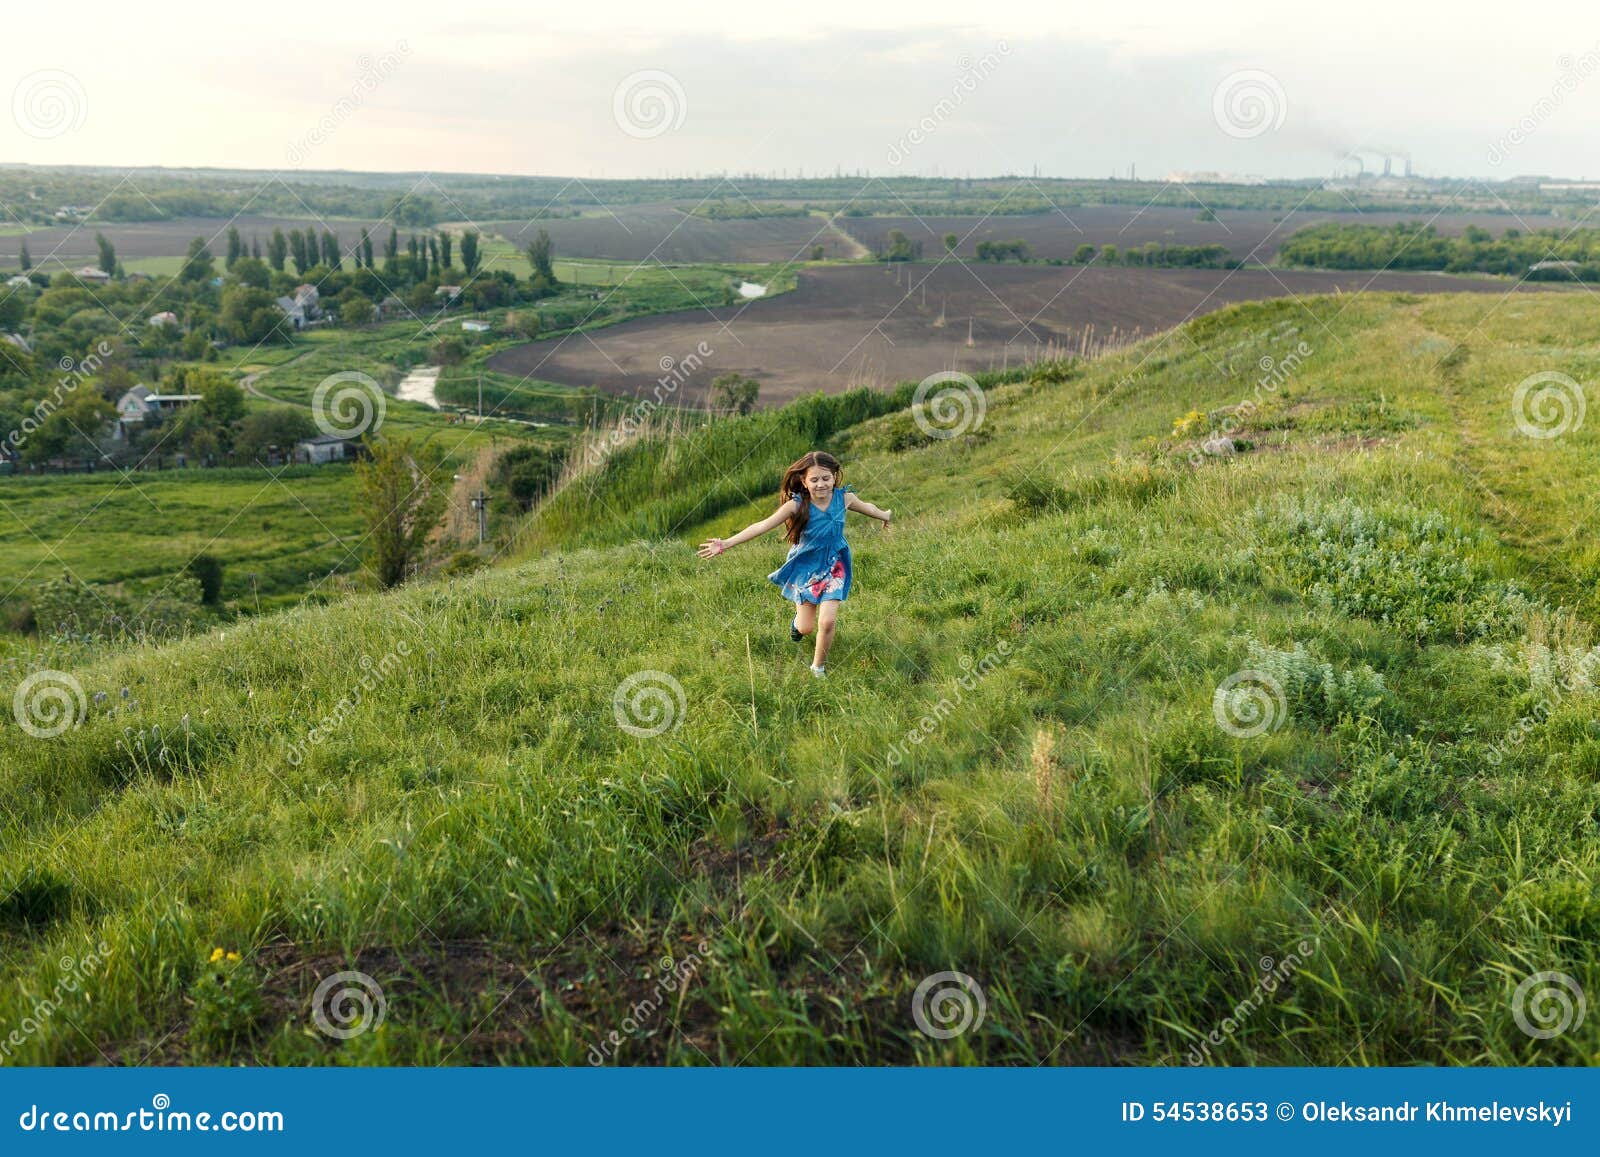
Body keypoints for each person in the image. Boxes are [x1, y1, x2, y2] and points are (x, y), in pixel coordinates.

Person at [697, 450, 891, 677]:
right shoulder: (797, 506)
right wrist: (726, 543)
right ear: (804, 482)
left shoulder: (844, 499)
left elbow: (869, 508)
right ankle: (796, 625)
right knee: (806, 628)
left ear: (834, 476)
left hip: (835, 565)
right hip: (807, 567)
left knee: (827, 621)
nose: (821, 485)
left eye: (826, 478)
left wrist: (886, 515)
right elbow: (761, 526)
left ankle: (818, 669)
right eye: (814, 480)